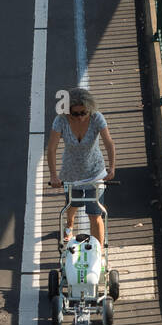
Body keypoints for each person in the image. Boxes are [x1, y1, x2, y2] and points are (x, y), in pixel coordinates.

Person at [46, 88, 116, 246]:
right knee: (73, 204)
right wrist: (53, 175)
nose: (79, 117)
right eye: (75, 114)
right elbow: (51, 148)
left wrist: (112, 167)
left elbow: (108, 142)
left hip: (95, 172)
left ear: (89, 109)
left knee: (95, 214)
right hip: (71, 174)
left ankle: (98, 254)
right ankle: (69, 224)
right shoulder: (61, 121)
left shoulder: (97, 118)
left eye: (83, 113)